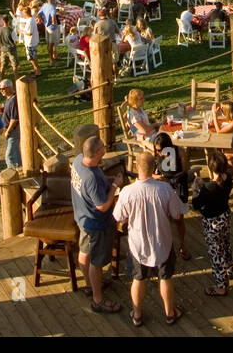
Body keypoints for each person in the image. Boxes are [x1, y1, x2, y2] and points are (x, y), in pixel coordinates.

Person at [114, 150, 186, 327]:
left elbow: (118, 217)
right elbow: (177, 215)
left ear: (137, 167)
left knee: (138, 278)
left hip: (138, 244)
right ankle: (170, 313)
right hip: (162, 242)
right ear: (154, 167)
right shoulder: (165, 189)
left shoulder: (127, 192)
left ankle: (137, 314)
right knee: (165, 277)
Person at [70, 136, 121, 314]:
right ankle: (98, 300)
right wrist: (114, 185)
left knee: (84, 252)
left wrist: (106, 180)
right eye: (103, 146)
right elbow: (103, 206)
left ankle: (89, 285)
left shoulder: (78, 161)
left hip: (82, 217)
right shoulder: (91, 178)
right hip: (96, 223)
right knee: (97, 262)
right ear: (98, 152)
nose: (105, 147)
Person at [191, 153, 233, 297]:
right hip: (225, 216)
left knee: (216, 253)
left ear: (210, 168)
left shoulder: (209, 188)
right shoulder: (227, 179)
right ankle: (229, 269)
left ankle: (221, 286)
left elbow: (196, 204)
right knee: (225, 244)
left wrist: (196, 190)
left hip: (212, 223)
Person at [0, 78, 22, 170]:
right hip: (9, 129)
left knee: (10, 155)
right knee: (15, 152)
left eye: (3, 88)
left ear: (9, 88)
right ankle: (19, 168)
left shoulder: (13, 100)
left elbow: (15, 119)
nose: (1, 91)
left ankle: (12, 172)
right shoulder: (9, 99)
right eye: (0, 89)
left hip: (13, 130)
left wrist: (8, 131)